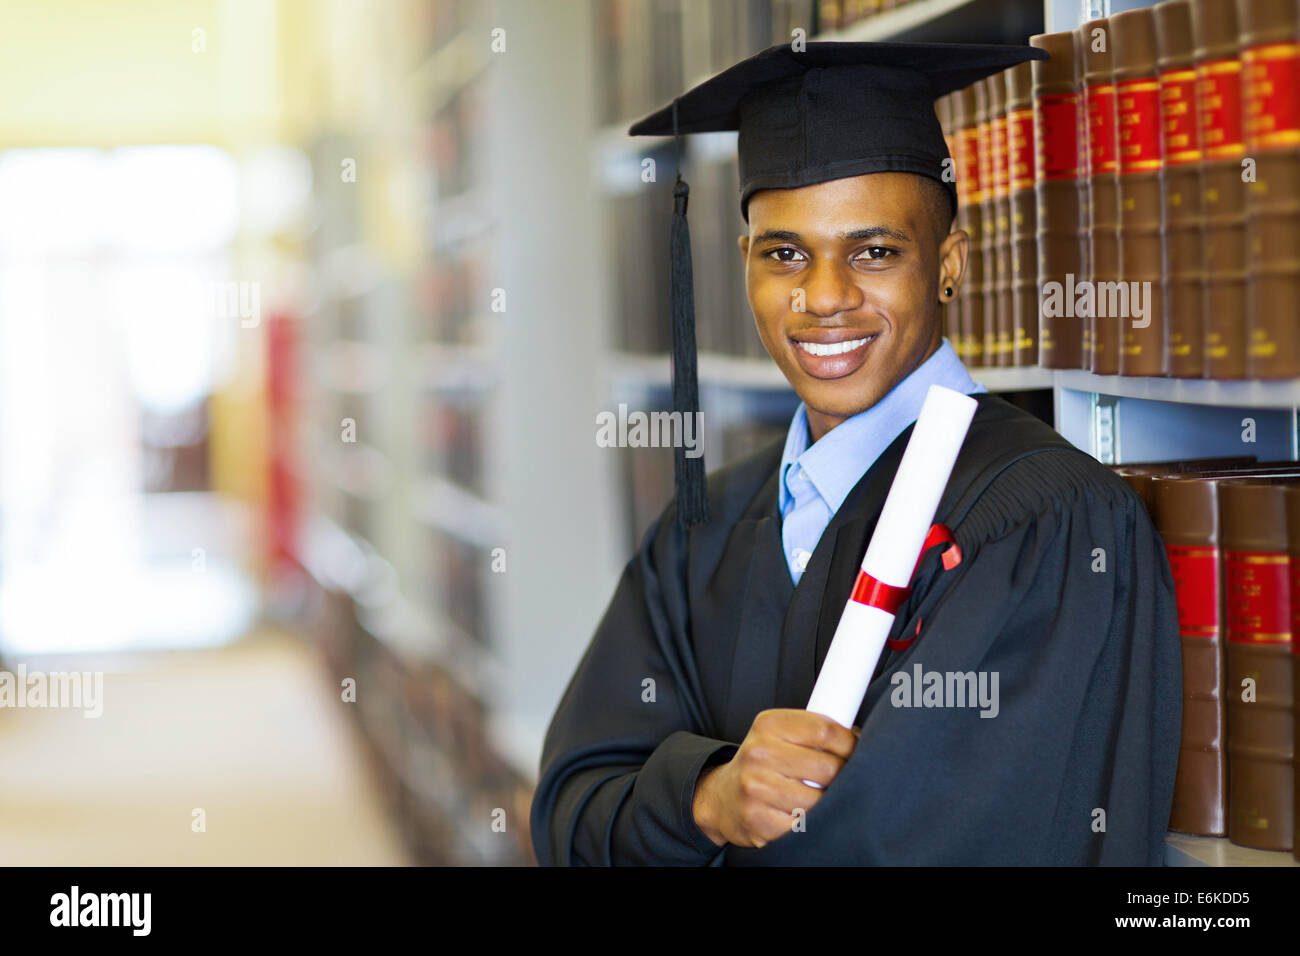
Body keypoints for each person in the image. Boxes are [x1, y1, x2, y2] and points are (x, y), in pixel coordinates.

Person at [529, 40, 1181, 865]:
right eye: (785, 254)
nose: (825, 296)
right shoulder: (707, 526)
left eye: (874, 252)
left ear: (947, 264)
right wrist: (707, 797)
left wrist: (672, 817)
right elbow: (570, 808)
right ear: (745, 267)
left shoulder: (1045, 523)